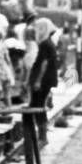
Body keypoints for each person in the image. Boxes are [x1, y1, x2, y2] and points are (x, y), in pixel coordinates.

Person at [27, 17, 59, 145]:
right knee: (36, 105)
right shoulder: (48, 43)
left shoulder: (45, 44)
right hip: (46, 79)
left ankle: (42, 137)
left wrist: (38, 81)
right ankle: (39, 135)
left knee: (37, 106)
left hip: (44, 80)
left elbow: (44, 64)